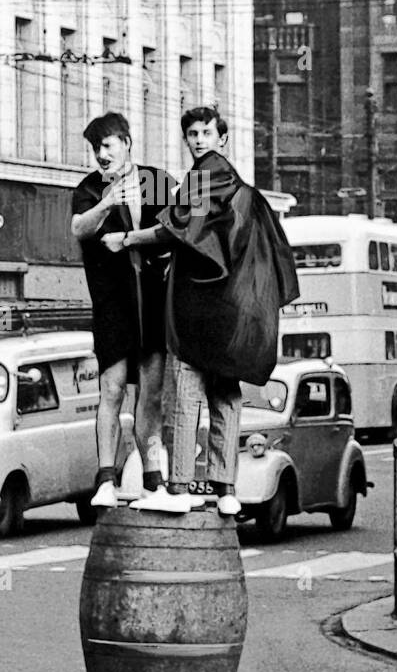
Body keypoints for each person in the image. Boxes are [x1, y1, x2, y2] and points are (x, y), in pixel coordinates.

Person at [106, 106, 298, 516]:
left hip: (196, 310)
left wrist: (126, 239)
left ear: (220, 139)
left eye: (205, 132)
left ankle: (179, 486)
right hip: (236, 315)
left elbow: (172, 231)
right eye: (192, 133)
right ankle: (225, 488)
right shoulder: (247, 192)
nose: (197, 140)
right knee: (227, 396)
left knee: (185, 396)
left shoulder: (200, 179)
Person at [70, 111, 175, 508]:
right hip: (112, 304)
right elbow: (79, 227)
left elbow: (186, 222)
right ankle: (106, 478)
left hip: (152, 302)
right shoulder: (90, 189)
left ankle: (154, 478)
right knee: (111, 389)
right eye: (96, 148)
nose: (101, 154)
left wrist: (132, 238)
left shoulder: (156, 180)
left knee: (151, 395)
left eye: (108, 144)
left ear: (127, 142)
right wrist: (108, 202)